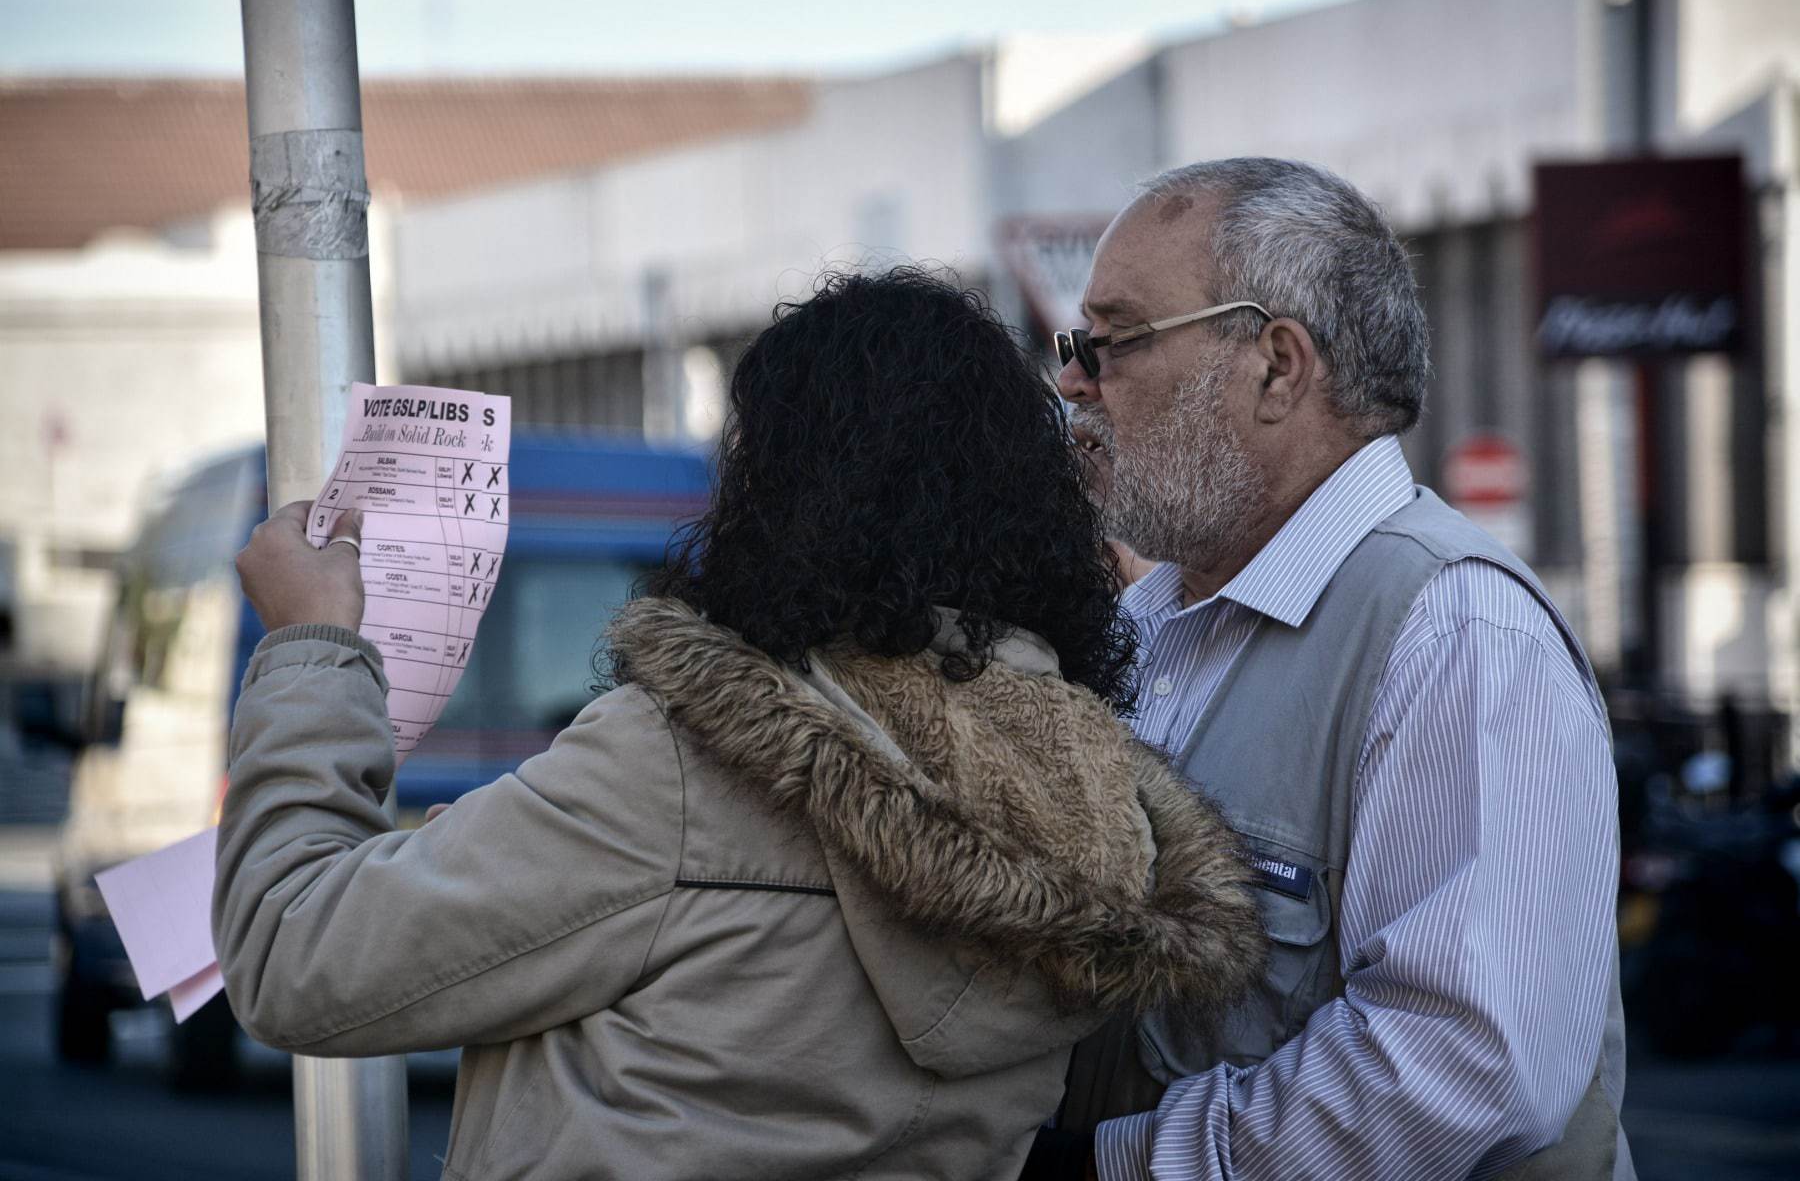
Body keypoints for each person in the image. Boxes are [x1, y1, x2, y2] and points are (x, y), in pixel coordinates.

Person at [214, 267, 1267, 1180]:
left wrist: (314, 644)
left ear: (777, 501)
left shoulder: (681, 771)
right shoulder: (1092, 797)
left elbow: (289, 956)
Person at [1045, 159, 1633, 1180]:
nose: (1073, 379)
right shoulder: (1149, 622)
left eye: (1116, 339)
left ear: (1278, 365)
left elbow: (1461, 1067)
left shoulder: (1456, 634)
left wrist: (1122, 1164)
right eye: (1076, 343)